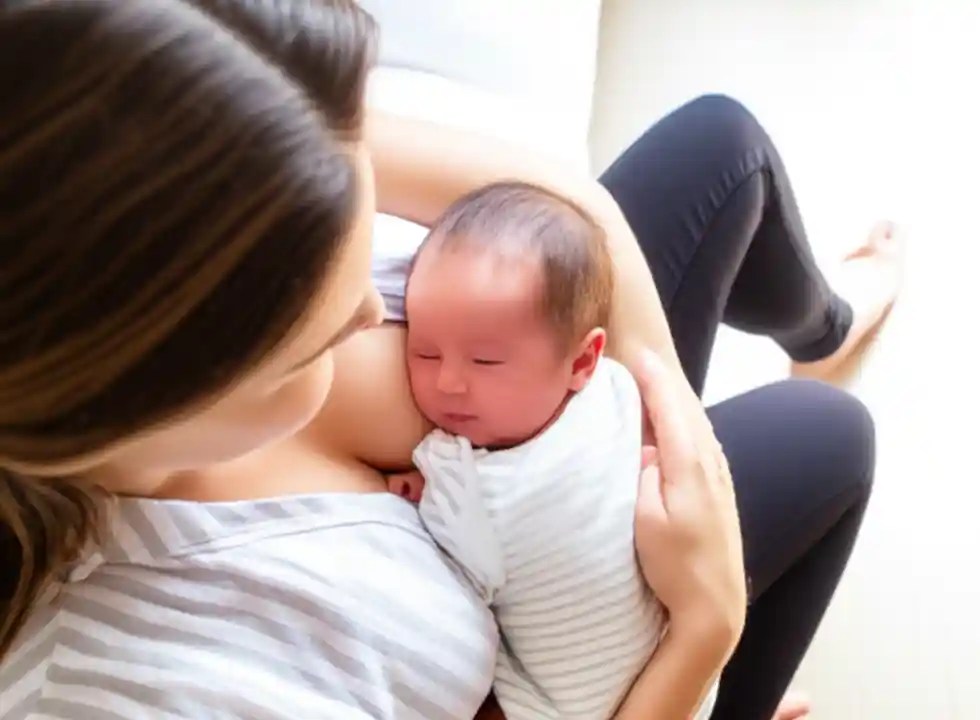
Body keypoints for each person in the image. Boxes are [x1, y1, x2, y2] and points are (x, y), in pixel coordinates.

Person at [0, 3, 899, 720]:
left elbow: (567, 209)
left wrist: (665, 417)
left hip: (553, 486)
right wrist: (701, 635)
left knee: (721, 150)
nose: (374, 307)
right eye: (327, 327)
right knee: (830, 436)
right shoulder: (134, 680)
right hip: (561, 657)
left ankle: (823, 325)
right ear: (178, 387)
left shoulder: (147, 157)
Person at [388, 181, 712, 719]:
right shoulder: (616, 388)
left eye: (485, 362)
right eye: (423, 350)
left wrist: (411, 491)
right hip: (688, 677)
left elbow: (457, 565)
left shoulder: (462, 479)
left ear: (582, 361)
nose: (448, 382)